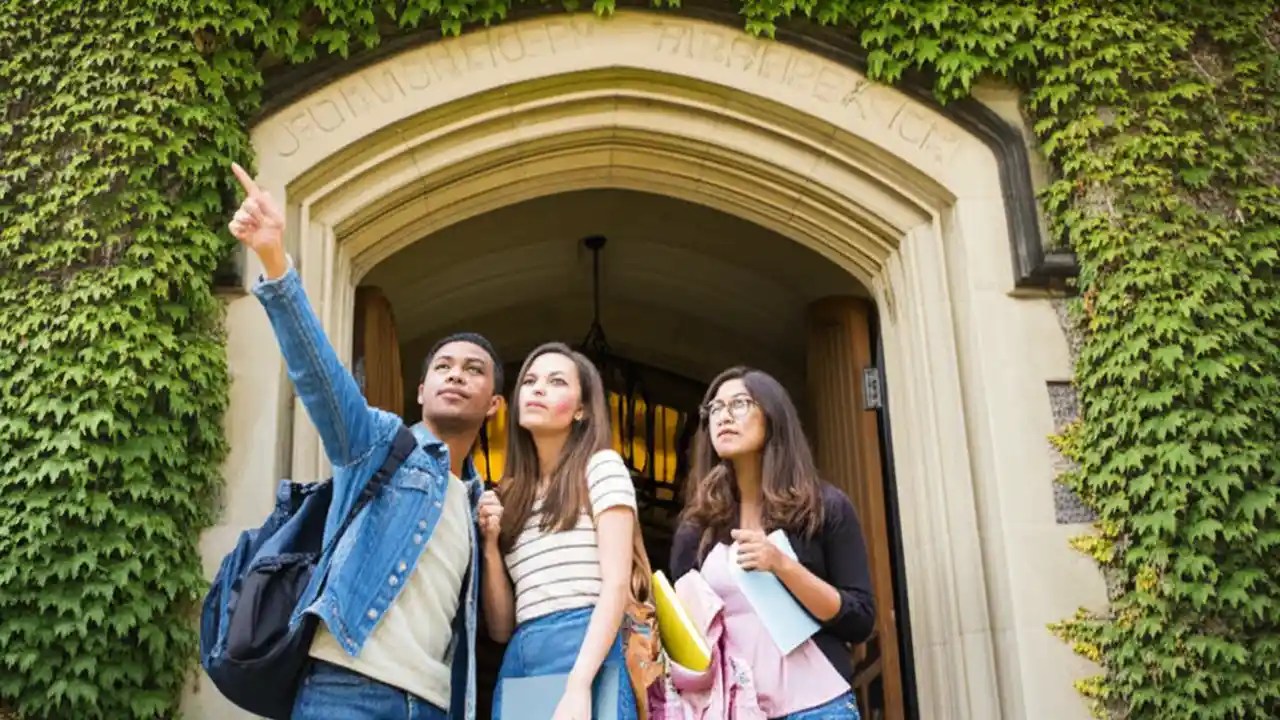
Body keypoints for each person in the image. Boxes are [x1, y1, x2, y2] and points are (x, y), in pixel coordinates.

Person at [227, 163, 501, 720]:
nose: (456, 374)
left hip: (432, 703)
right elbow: (319, 376)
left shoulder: (479, 505)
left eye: (474, 370)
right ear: (421, 389)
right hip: (346, 688)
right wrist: (276, 261)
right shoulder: (381, 444)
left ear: (494, 405)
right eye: (443, 366)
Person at [668, 367, 875, 720]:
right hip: (731, 709)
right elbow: (686, 631)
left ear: (773, 416)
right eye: (715, 409)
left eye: (739, 404)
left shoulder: (824, 507)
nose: (724, 416)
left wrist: (782, 565)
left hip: (818, 706)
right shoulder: (697, 527)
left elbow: (860, 620)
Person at [476, 342, 647, 720]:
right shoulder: (511, 495)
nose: (538, 389)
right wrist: (490, 545)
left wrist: (578, 684)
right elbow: (502, 628)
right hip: (522, 652)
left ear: (582, 409)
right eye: (531, 381)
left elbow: (617, 584)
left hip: (586, 646)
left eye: (556, 382)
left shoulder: (600, 467)